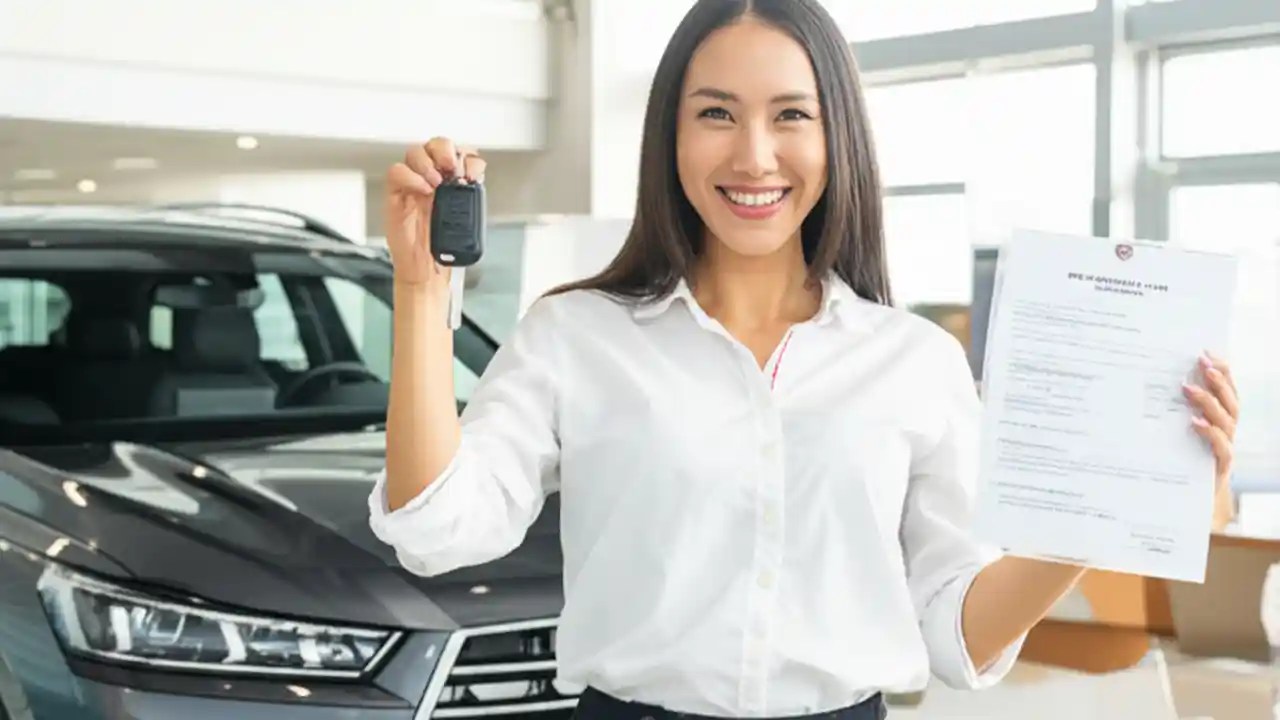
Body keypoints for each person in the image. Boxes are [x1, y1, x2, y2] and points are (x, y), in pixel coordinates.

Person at [369, 1, 1242, 718]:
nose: (754, 156)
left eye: (791, 115)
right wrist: (416, 294)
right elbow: (438, 533)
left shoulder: (913, 363)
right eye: (715, 112)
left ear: (837, 138)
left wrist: (1108, 501)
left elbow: (959, 638)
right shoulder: (576, 335)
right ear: (668, 138)